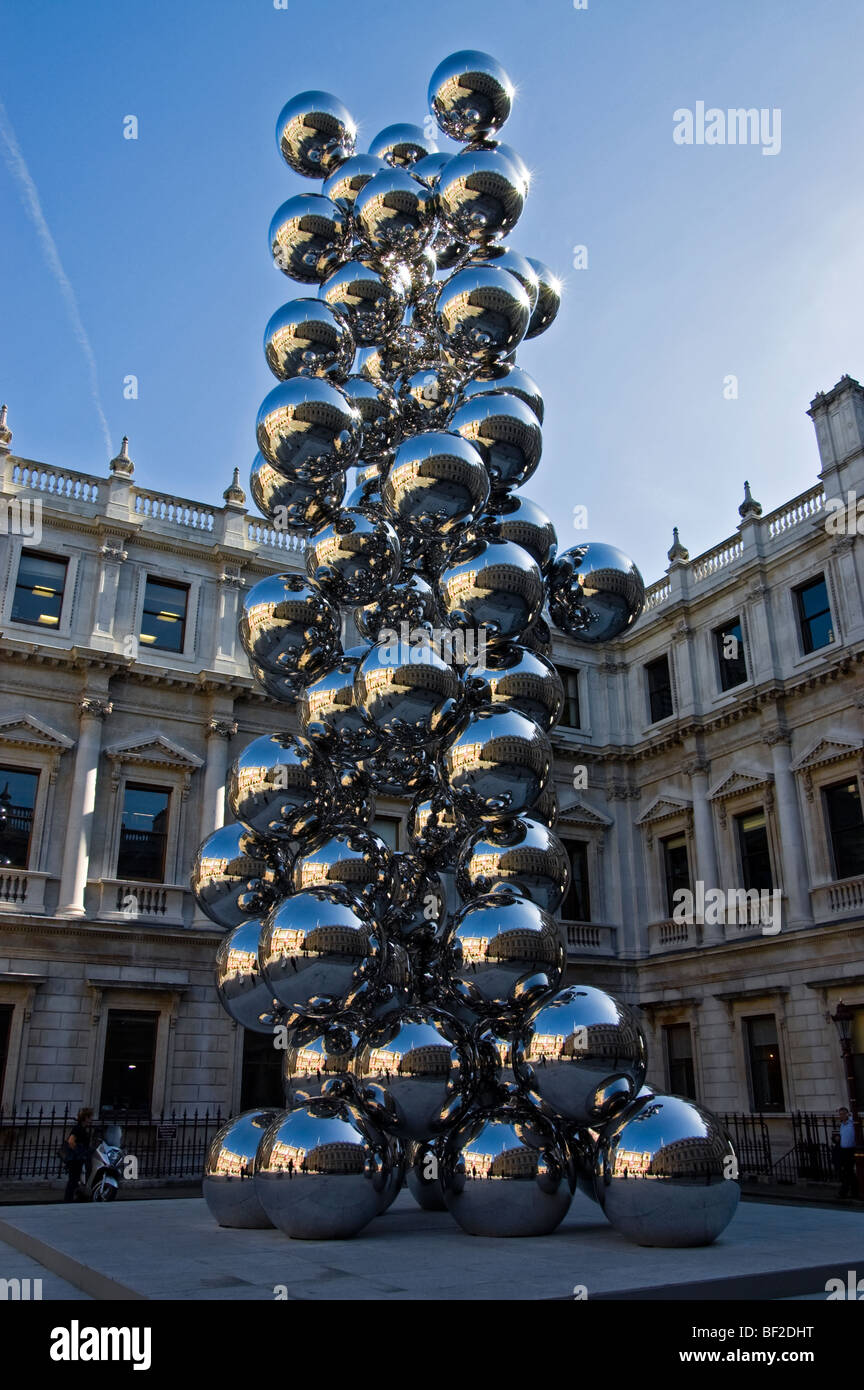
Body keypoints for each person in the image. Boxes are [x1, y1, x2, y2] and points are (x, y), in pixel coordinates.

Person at [63, 1107, 94, 1203]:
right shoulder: (78, 1128)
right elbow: (71, 1141)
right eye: (90, 1117)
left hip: (78, 1158)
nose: (91, 1119)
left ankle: (78, 1198)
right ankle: (68, 1200)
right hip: (75, 1159)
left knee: (76, 1179)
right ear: (86, 1117)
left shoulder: (83, 1129)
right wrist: (79, 1152)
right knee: (73, 1179)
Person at [836, 1105, 858, 1200]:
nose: (841, 1116)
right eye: (840, 1114)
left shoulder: (852, 1122)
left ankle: (843, 1192)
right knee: (848, 1172)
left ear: (847, 1114)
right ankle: (853, 1192)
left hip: (851, 1150)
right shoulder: (842, 1124)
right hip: (843, 1151)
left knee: (848, 1172)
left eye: (843, 1114)